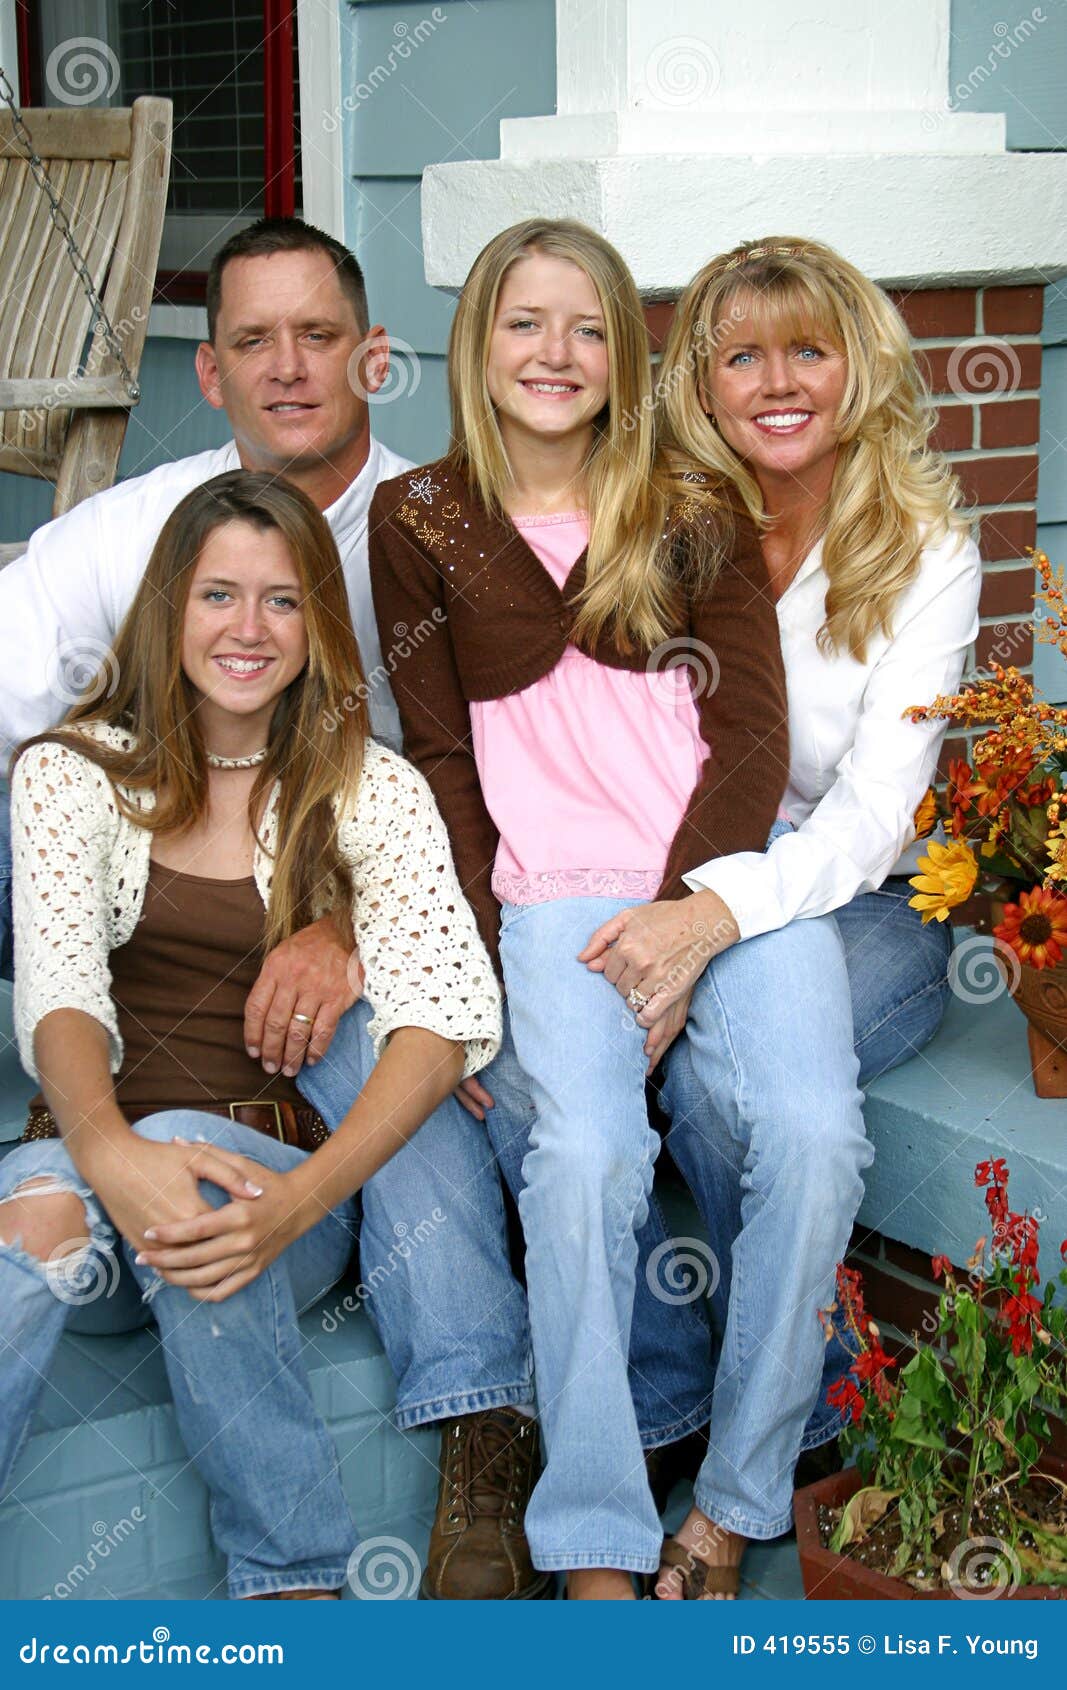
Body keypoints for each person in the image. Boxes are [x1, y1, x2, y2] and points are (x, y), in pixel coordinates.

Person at [0, 218, 547, 1598]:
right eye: (217, 598)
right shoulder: (77, 763)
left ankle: (368, 1520)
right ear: (166, 608)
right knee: (31, 1229)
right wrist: (104, 1148)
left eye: (284, 603)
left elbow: (461, 943)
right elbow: (57, 986)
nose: (247, 626)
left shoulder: (382, 732)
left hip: (288, 1164)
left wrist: (349, 937)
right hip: (106, 1166)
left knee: (240, 1146)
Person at [369, 217, 793, 1598]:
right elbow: (438, 755)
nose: (555, 354)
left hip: (708, 880)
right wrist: (481, 964)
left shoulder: (687, 499)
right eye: (524, 322)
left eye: (588, 327)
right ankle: (599, 1539)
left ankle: (749, 1468)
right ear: (478, 342)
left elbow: (749, 735)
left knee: (778, 1129)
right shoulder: (422, 514)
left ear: (626, 351)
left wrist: (686, 913)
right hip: (546, 896)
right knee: (588, 1158)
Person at [582, 236, 982, 1596]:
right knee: (628, 1083)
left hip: (856, 906)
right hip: (689, 867)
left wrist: (707, 919)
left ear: (858, 362)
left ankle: (731, 1489)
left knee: (769, 1112)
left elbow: (873, 821)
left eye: (807, 347)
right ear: (701, 376)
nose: (777, 381)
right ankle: (797, 1400)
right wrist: (675, 904)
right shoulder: (663, 516)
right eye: (742, 353)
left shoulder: (928, 546)